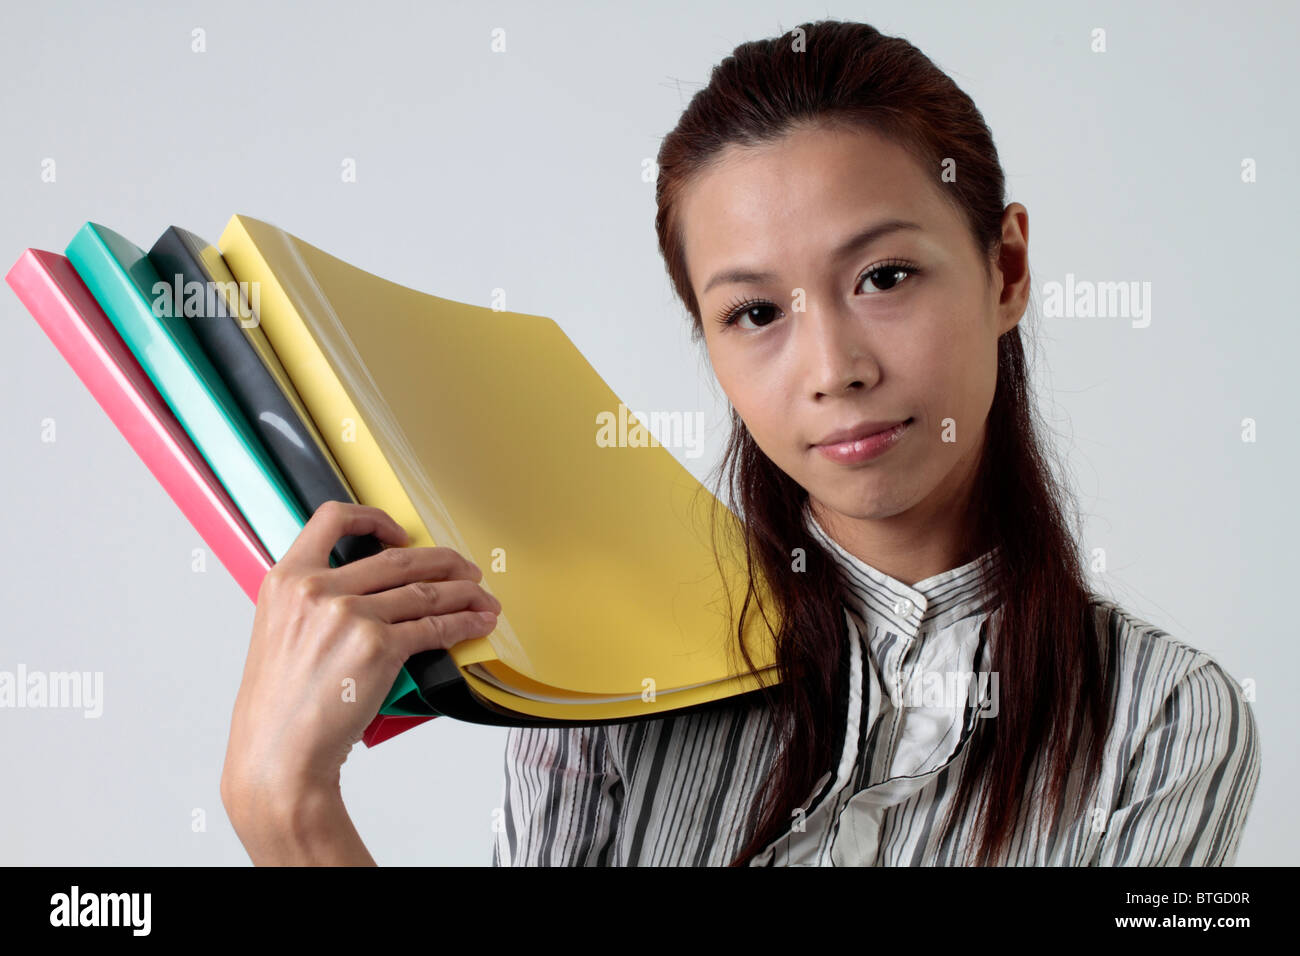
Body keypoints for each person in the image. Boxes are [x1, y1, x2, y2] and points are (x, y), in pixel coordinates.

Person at [220, 19, 1261, 867]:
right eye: (755, 313)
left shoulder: (1163, 722)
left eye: (884, 277)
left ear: (1007, 269)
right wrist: (287, 806)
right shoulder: (597, 665)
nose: (832, 367)